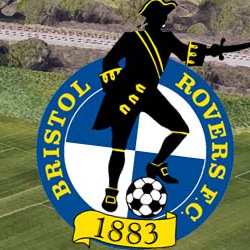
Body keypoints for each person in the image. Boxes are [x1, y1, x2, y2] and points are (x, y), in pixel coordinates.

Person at [94, 0, 227, 212]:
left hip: (149, 93)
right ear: (154, 18)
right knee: (119, 145)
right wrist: (115, 88)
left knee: (180, 129)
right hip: (127, 95)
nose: (165, 19)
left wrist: (213, 51)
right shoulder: (131, 38)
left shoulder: (166, 39)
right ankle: (111, 192)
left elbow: (187, 54)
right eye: (162, 15)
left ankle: (154, 165)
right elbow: (109, 62)